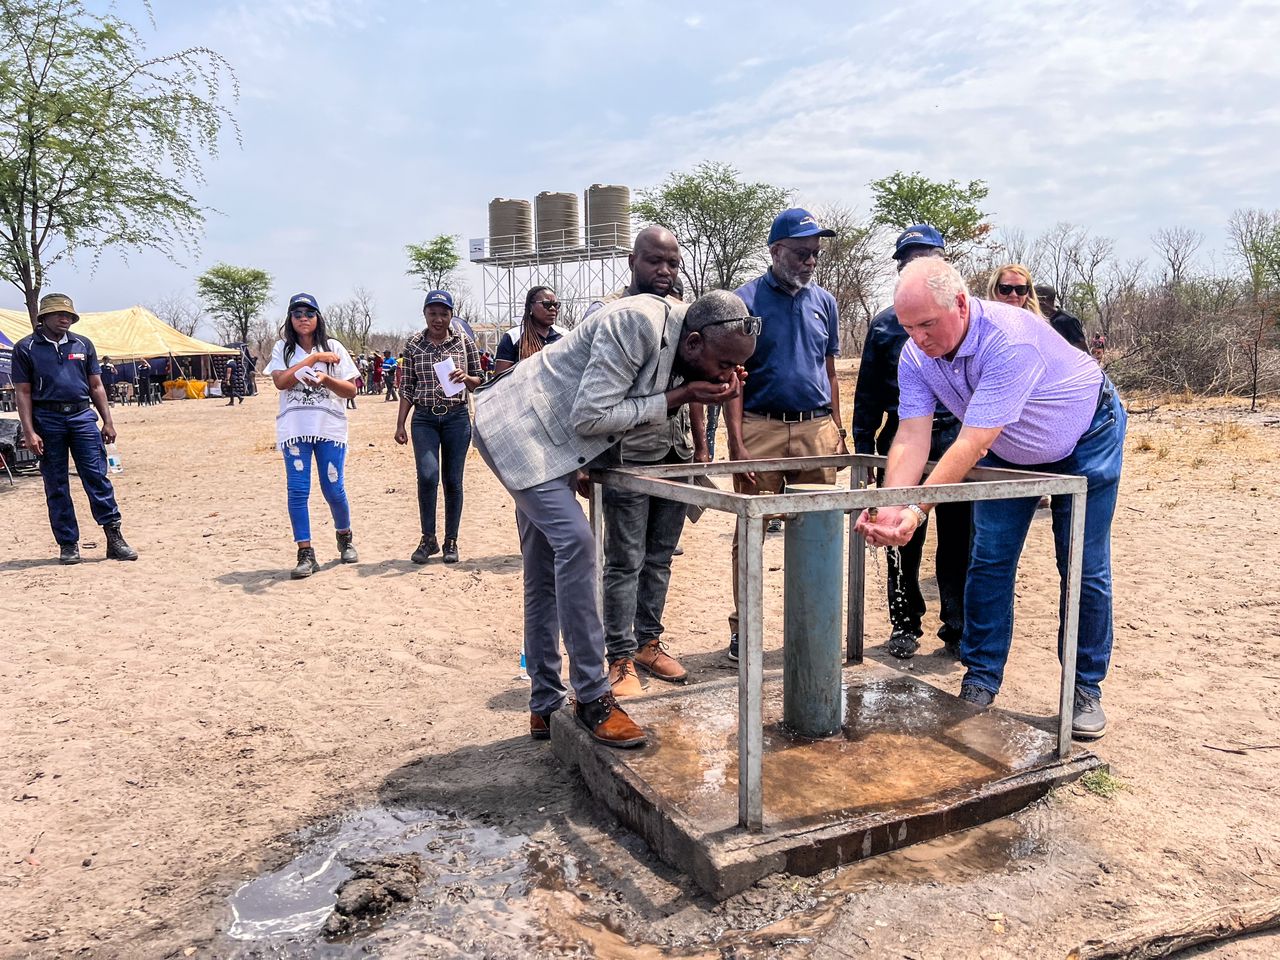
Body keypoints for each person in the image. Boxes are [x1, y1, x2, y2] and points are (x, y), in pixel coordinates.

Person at [855, 258, 1126, 740]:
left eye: (927, 325)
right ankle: (981, 678)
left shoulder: (1009, 337)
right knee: (990, 559)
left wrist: (918, 509)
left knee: (1082, 564)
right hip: (1011, 448)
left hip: (1086, 436)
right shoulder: (915, 355)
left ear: (960, 304)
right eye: (908, 327)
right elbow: (911, 436)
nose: (918, 338)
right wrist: (892, 503)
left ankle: (1084, 687)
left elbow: (971, 442)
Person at [472, 289, 757, 748]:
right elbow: (592, 415)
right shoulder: (636, 324)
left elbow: (627, 404)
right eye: (723, 364)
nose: (727, 373)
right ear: (695, 344)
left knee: (543, 574)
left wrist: (708, 389)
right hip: (520, 433)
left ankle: (544, 704)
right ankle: (592, 698)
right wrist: (682, 393)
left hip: (554, 441)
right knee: (578, 545)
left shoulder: (686, 336)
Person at [582, 228, 703, 696]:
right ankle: (619, 655)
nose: (665, 272)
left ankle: (648, 641)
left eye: (672, 263)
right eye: (654, 262)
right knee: (624, 559)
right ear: (632, 260)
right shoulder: (611, 313)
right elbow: (589, 398)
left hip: (675, 452)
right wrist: (585, 462)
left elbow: (695, 382)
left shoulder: (683, 313)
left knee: (660, 557)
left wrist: (702, 449)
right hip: (628, 455)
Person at [723, 207, 848, 660]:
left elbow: (830, 371)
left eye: (814, 253)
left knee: (819, 531)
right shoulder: (746, 301)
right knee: (750, 532)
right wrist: (737, 443)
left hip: (816, 430)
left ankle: (813, 625)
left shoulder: (826, 303)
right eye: (800, 252)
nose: (809, 261)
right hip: (760, 429)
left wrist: (837, 427)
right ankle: (745, 628)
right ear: (775, 250)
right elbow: (734, 378)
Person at [852, 224, 970, 659]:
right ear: (899, 265)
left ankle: (956, 626)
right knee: (899, 535)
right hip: (902, 443)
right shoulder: (885, 324)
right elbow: (867, 393)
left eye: (929, 256)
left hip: (956, 443)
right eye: (910, 257)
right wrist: (864, 453)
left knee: (960, 540)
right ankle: (905, 624)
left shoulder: (965, 321)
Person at [11, 293, 138, 564]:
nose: (65, 318)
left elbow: (96, 386)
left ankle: (114, 538)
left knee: (97, 477)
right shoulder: (26, 348)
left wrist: (108, 421)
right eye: (59, 314)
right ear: (43, 317)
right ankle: (68, 544)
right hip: (47, 421)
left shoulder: (83, 344)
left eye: (68, 315)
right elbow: (22, 392)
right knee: (56, 483)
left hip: (82, 418)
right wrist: (29, 431)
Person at [264, 293, 361, 579]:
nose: (303, 318)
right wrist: (315, 359)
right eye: (297, 313)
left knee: (333, 488)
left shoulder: (335, 347)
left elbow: (351, 390)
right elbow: (281, 382)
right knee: (297, 491)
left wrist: (326, 378)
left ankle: (344, 536)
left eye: (309, 313)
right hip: (295, 430)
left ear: (318, 317)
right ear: (290, 319)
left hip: (328, 428)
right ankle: (305, 552)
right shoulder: (282, 348)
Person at [395, 290, 483, 565]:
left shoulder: (463, 343)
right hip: (424, 419)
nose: (438, 319)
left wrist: (466, 376)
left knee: (453, 481)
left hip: (456, 418)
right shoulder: (413, 345)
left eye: (444, 313)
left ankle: (451, 541)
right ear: (425, 314)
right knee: (428, 476)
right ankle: (428, 538)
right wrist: (400, 423)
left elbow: (480, 380)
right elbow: (407, 387)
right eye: (433, 313)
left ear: (451, 315)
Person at [493, 286, 564, 374]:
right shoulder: (513, 337)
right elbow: (500, 379)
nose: (553, 309)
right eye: (547, 304)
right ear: (530, 306)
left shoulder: (564, 336)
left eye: (556, 305)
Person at [1033, 284, 1088, 353]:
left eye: (1032, 298)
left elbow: (1084, 353)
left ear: (1042, 300)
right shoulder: (1035, 319)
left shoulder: (1068, 321)